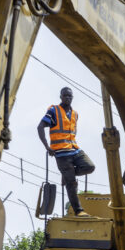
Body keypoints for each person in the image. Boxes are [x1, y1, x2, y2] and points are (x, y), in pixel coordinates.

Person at [38, 87, 95, 217]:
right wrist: (47, 146)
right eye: (65, 96)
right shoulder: (54, 111)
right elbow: (40, 127)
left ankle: (67, 174)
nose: (68, 98)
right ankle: (78, 211)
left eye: (70, 96)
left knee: (90, 167)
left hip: (74, 149)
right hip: (61, 153)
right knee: (71, 183)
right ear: (61, 97)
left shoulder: (75, 114)